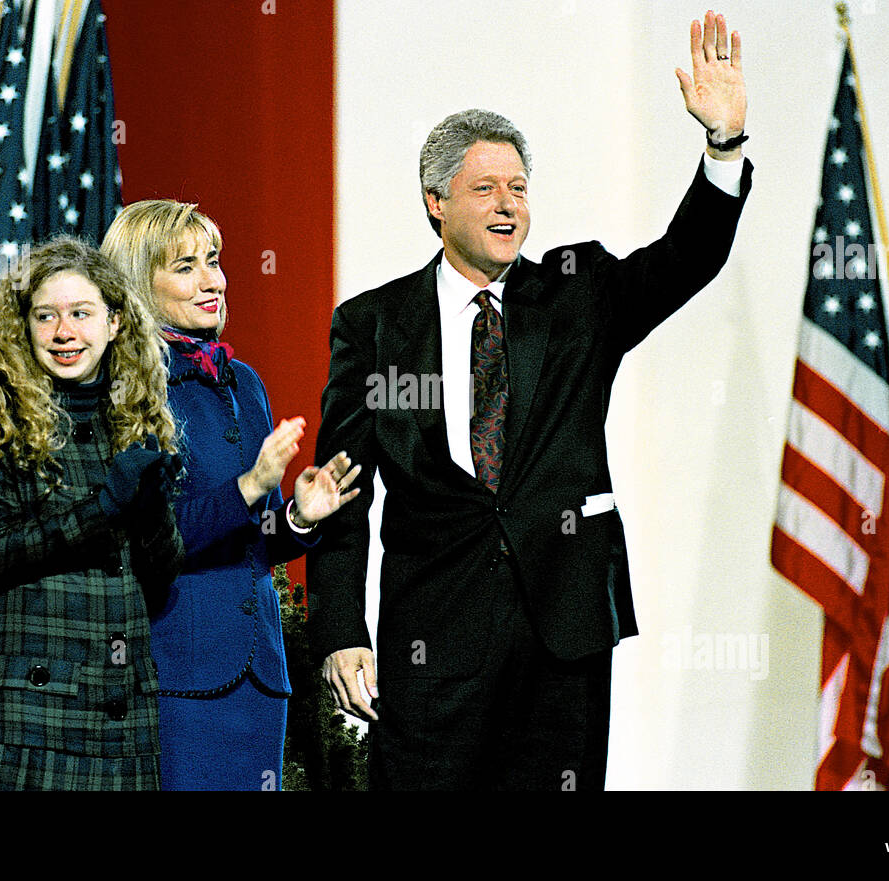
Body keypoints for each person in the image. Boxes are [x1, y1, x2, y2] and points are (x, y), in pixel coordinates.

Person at [308, 11, 752, 789]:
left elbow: (687, 258)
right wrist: (342, 630)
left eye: (518, 186)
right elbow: (343, 493)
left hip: (564, 640)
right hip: (431, 649)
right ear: (435, 202)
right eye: (485, 188)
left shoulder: (575, 297)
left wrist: (722, 148)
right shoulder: (375, 325)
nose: (508, 203)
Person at [102, 200, 361, 790]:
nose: (211, 280)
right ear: (140, 282)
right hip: (178, 674)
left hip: (259, 676)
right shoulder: (128, 387)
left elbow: (255, 541)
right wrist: (248, 487)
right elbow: (145, 537)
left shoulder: (244, 384)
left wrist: (297, 516)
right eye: (185, 266)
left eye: (213, 261)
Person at [0, 236, 183, 790]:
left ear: (115, 322)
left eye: (80, 313)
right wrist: (102, 507)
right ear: (23, 327)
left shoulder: (137, 419)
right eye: (45, 316)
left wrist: (150, 516)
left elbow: (163, 578)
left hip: (126, 717)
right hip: (32, 714)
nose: (63, 332)